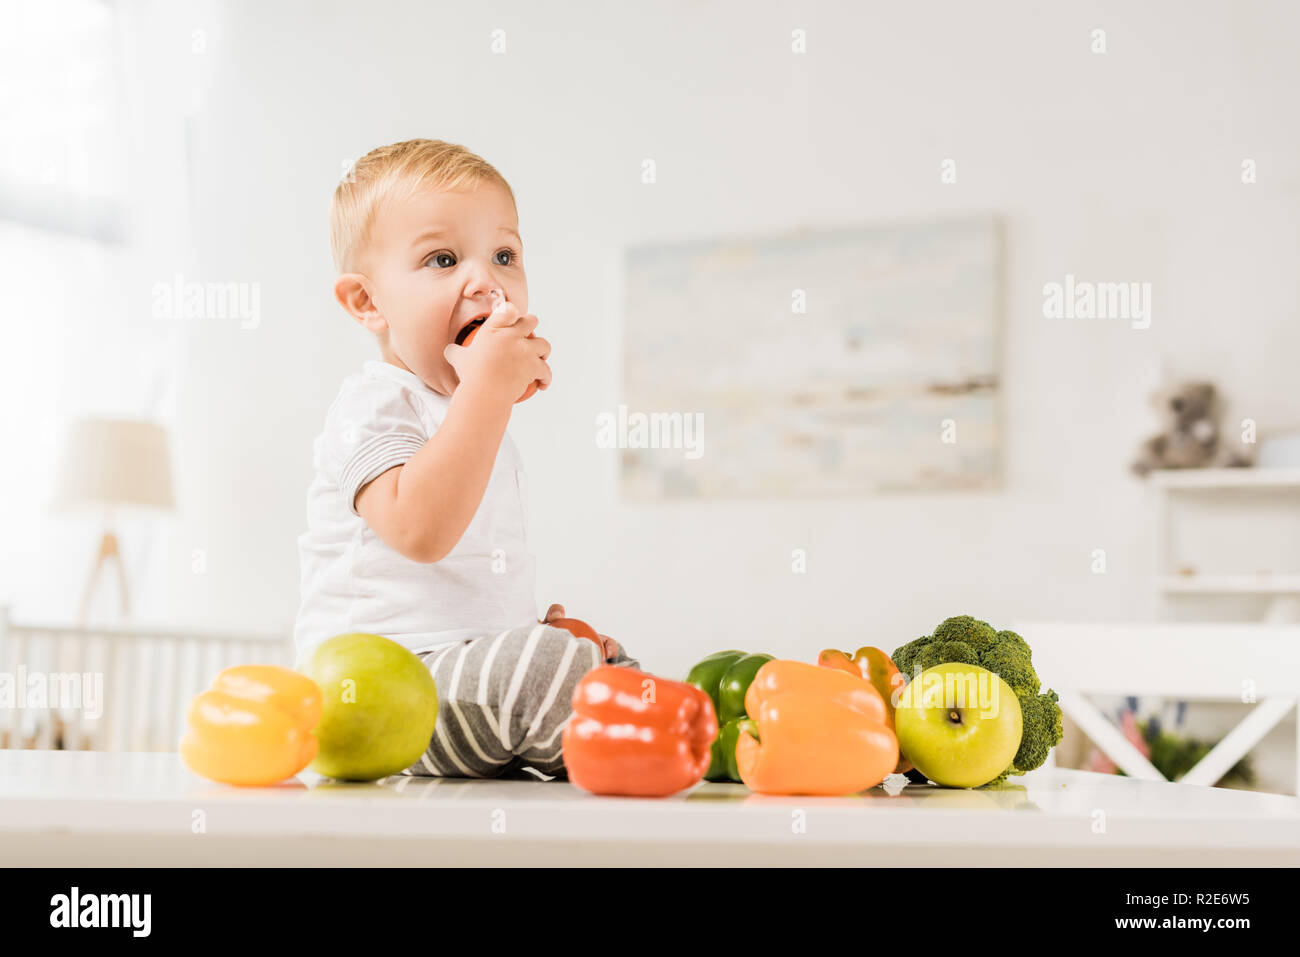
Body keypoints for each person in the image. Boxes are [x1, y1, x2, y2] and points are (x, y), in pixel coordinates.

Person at [293, 139, 639, 780]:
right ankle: (624, 748)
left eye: (504, 256)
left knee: (606, 662)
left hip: (452, 678)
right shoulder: (372, 404)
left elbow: (466, 581)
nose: (486, 280)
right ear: (368, 303)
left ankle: (626, 735)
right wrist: (486, 392)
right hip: (380, 693)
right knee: (556, 672)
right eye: (443, 259)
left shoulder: (468, 417)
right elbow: (421, 533)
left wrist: (528, 628)